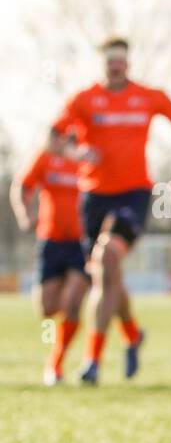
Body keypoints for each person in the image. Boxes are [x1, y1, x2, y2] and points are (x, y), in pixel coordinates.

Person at [51, 36, 171, 385]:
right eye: (109, 60)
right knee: (105, 275)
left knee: (107, 261)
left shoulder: (148, 97)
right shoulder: (84, 100)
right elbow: (54, 138)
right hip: (94, 197)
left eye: (121, 60)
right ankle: (132, 333)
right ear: (102, 64)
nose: (116, 66)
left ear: (128, 63)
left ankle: (92, 361)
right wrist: (75, 154)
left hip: (133, 194)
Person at [10, 137, 90, 385]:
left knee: (73, 303)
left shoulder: (87, 161)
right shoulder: (45, 158)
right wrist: (25, 214)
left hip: (80, 243)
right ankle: (52, 340)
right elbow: (21, 186)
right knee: (47, 310)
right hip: (51, 242)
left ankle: (55, 364)